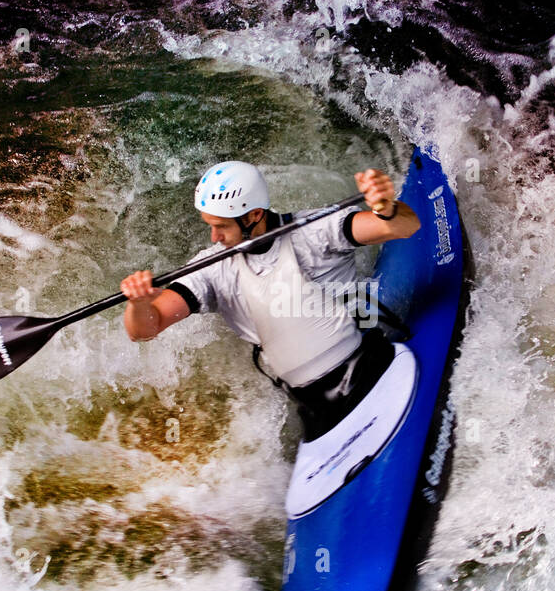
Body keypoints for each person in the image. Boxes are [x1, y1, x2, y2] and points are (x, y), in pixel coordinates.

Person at [120, 161, 421, 438]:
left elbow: (404, 226)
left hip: (370, 364)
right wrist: (139, 304)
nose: (214, 237)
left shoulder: (315, 231)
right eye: (210, 225)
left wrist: (387, 209)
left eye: (222, 226)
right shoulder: (212, 269)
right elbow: (145, 329)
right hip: (315, 408)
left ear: (254, 215)